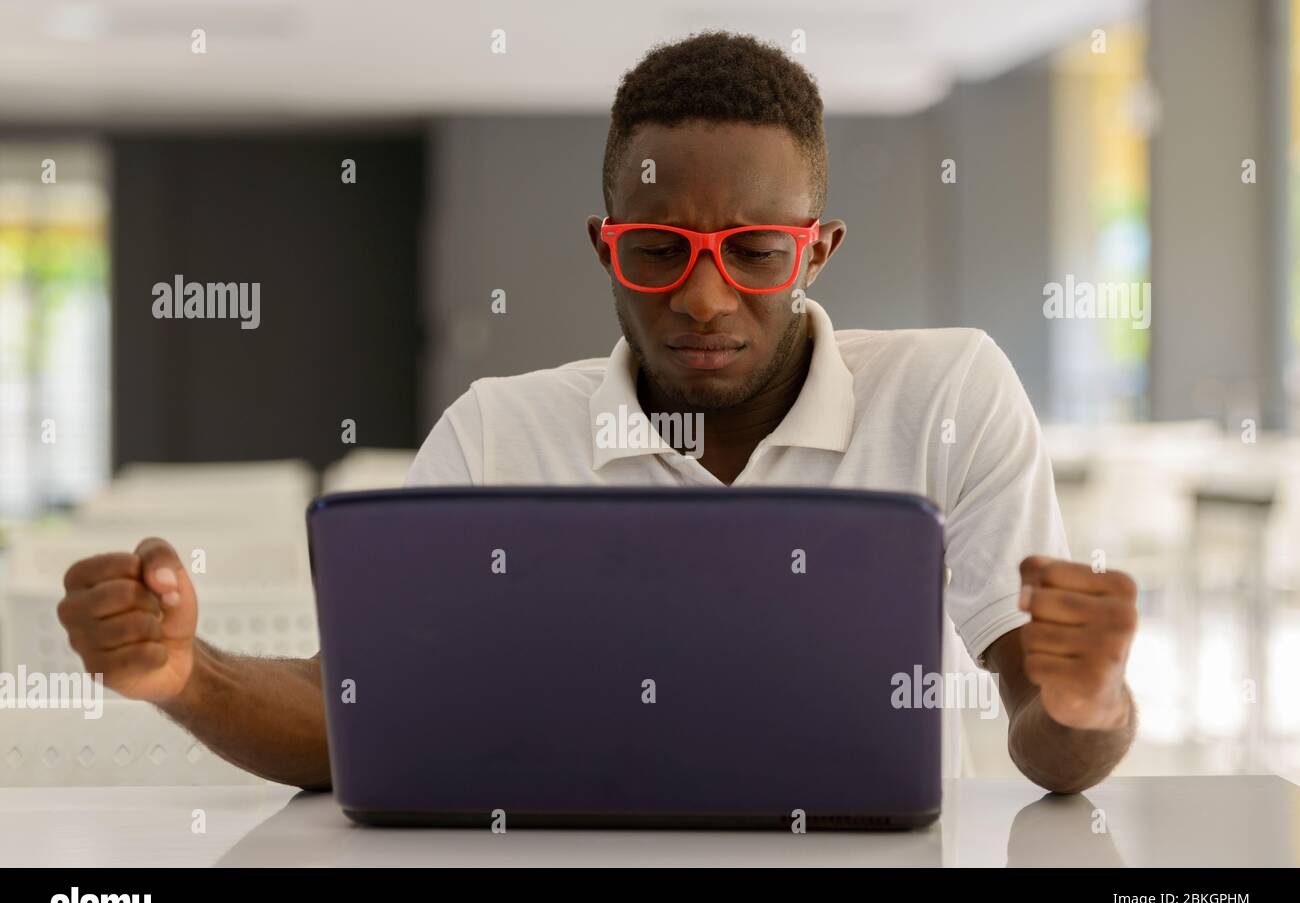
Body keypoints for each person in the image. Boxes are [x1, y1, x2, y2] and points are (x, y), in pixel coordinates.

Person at [57, 31, 1137, 795]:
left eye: (754, 253)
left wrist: (1090, 707)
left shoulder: (949, 393)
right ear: (604, 246)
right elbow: (366, 710)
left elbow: (1041, 729)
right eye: (657, 249)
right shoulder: (497, 432)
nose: (703, 296)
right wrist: (185, 676)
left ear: (815, 250)